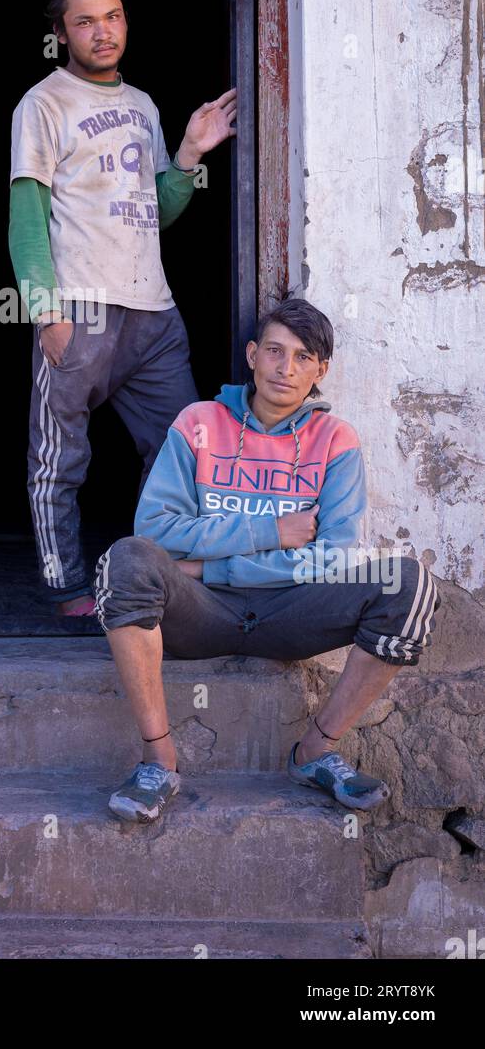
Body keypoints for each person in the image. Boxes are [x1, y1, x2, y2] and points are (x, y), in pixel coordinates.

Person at [93, 296, 440, 820]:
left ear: (321, 370)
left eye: (303, 357)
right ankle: (158, 762)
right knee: (128, 560)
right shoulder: (199, 423)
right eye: (275, 351)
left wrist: (210, 562)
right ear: (253, 355)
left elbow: (336, 557)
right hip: (200, 611)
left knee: (407, 584)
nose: (286, 367)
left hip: (293, 613)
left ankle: (316, 750)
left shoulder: (335, 439)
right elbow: (157, 530)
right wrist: (273, 530)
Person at [8, 0, 236, 624]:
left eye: (111, 17)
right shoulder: (43, 104)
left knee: (184, 454)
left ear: (125, 21)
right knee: (59, 461)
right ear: (61, 32)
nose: (101, 32)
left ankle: (143, 573)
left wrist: (190, 154)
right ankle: (67, 589)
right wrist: (44, 309)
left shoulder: (141, 106)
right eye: (85, 22)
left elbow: (157, 210)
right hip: (78, 307)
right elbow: (25, 218)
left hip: (154, 315)